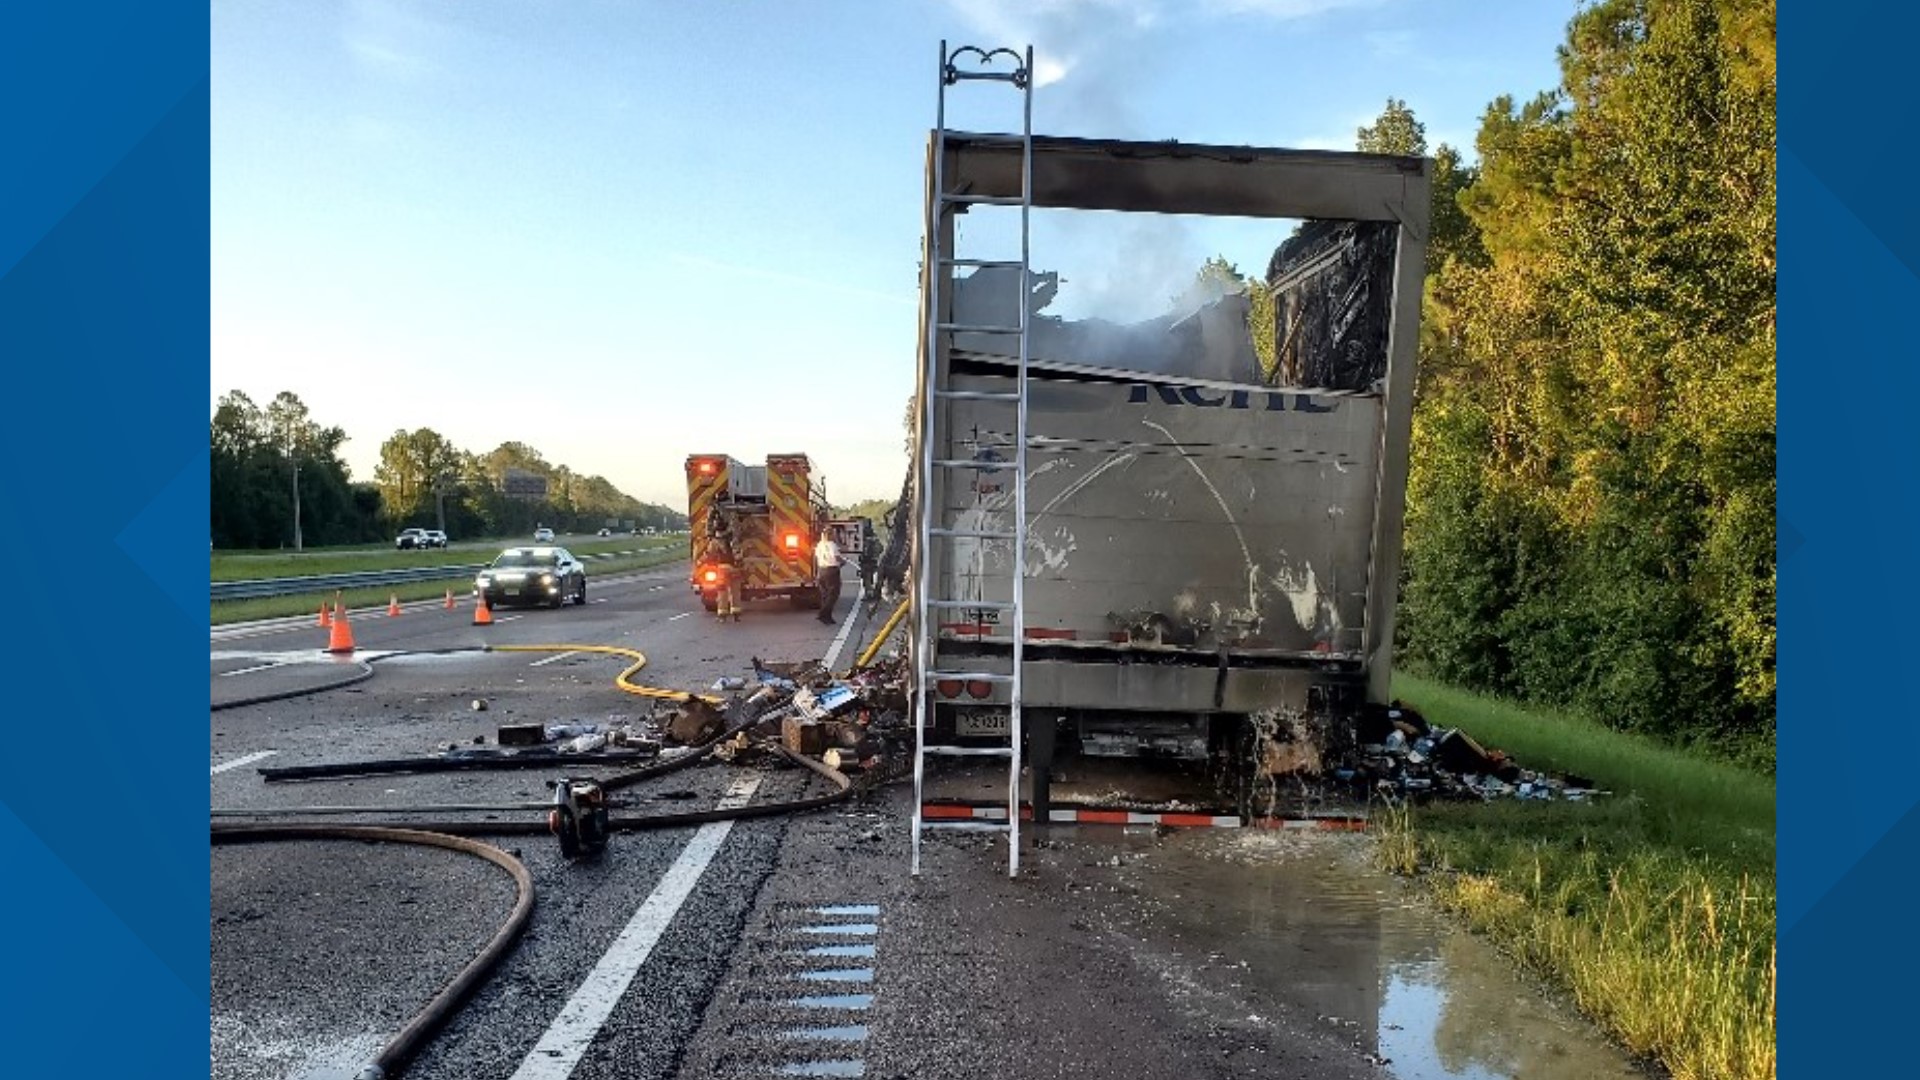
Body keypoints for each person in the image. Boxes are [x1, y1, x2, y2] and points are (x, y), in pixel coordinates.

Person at [704, 523, 741, 623]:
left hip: (722, 569)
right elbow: (739, 554)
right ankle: (736, 614)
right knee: (735, 592)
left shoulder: (715, 542)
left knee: (722, 593)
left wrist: (704, 561)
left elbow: (710, 554)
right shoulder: (734, 540)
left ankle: (722, 615)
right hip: (735, 569)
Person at [813, 524, 844, 624]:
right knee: (833, 594)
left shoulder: (819, 545)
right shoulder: (832, 545)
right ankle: (823, 613)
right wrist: (843, 562)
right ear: (830, 535)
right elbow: (836, 557)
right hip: (831, 570)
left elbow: (817, 557)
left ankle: (828, 617)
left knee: (825, 595)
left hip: (822, 570)